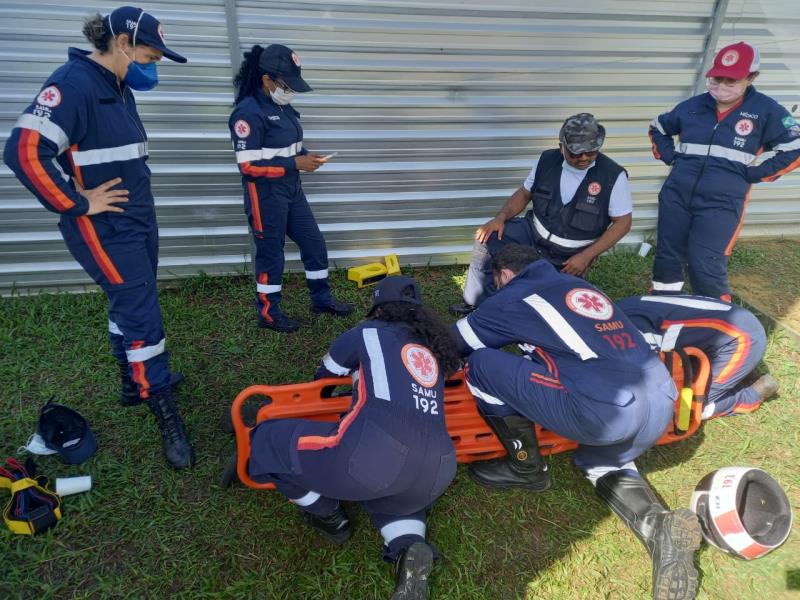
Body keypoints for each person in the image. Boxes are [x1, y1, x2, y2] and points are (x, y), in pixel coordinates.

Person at [452, 244, 702, 600]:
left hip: (604, 412)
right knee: (600, 461)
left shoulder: (511, 297)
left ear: (505, 274)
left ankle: (526, 467)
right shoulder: (582, 287)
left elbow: (454, 343)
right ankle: (658, 527)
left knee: (482, 365)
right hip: (661, 402)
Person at [3, 7, 194, 469]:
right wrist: (77, 202)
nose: (154, 67)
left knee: (129, 302)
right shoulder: (74, 84)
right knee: (142, 314)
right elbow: (23, 151)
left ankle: (131, 383)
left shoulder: (117, 85)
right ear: (123, 43)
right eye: (151, 56)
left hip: (136, 219)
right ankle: (162, 408)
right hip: (105, 228)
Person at [247, 276, 460, 599]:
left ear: (378, 310)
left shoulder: (367, 333)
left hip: (376, 456)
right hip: (437, 471)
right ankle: (408, 546)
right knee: (394, 501)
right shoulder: (434, 348)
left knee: (267, 440)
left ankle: (329, 516)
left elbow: (324, 378)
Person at [649, 41, 800, 302]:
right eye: (716, 79)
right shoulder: (692, 106)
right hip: (676, 196)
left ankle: (714, 317)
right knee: (668, 255)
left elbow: (795, 148)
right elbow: (658, 128)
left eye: (731, 81)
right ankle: (663, 305)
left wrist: (756, 174)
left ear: (751, 77)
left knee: (706, 262)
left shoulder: (767, 111)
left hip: (722, 203)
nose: (721, 86)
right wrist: (671, 157)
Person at [450, 113, 633, 315]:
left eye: (591, 151)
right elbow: (524, 193)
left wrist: (586, 256)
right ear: (562, 146)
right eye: (576, 153)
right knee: (487, 237)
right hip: (532, 236)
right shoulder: (547, 160)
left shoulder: (613, 175)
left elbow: (623, 222)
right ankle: (478, 302)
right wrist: (500, 218)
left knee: (556, 309)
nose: (584, 158)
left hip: (570, 256)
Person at [229, 44, 352, 333]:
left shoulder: (281, 106)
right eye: (286, 84)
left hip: (292, 190)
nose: (290, 90)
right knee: (271, 255)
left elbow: (289, 148)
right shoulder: (247, 114)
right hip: (265, 196)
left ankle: (321, 299)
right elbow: (248, 167)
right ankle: (268, 313)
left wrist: (306, 156)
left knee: (314, 243)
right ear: (267, 79)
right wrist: (295, 164)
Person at [616, 294, 779, 419]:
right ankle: (738, 373)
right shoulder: (617, 311)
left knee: (684, 407)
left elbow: (651, 379)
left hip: (742, 340)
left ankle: (749, 397)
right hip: (732, 327)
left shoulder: (633, 336)